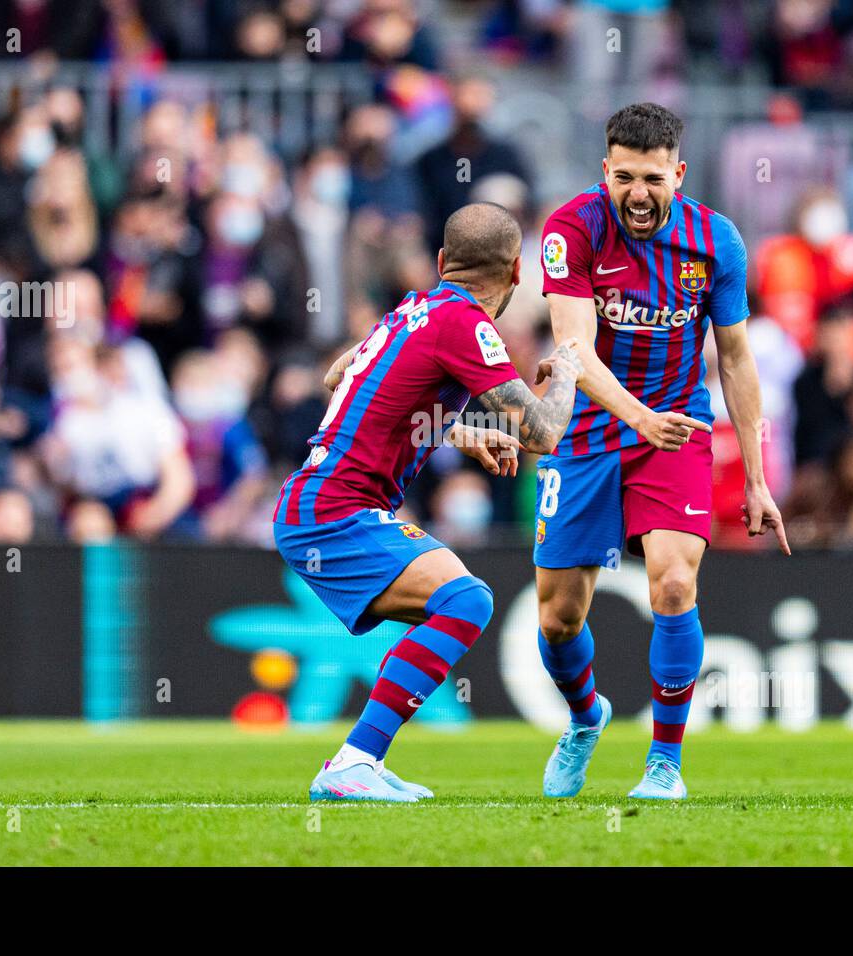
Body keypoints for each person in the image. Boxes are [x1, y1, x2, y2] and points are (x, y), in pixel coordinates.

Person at [272, 202, 585, 803]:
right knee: (465, 602)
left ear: (443, 262)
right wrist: (569, 364)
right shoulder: (465, 325)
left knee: (458, 602)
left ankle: (360, 758)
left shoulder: (411, 310)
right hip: (333, 512)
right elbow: (543, 432)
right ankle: (354, 760)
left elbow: (341, 379)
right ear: (517, 272)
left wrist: (462, 433)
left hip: (319, 503)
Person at [534, 103, 789, 801]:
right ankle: (586, 717)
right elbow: (574, 349)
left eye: (652, 178)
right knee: (558, 619)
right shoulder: (571, 229)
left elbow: (735, 358)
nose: (637, 194)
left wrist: (758, 479)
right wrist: (636, 417)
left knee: (674, 582)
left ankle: (664, 765)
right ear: (604, 172)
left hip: (674, 430)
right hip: (586, 429)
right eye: (623, 178)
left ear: (678, 173)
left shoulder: (717, 242)